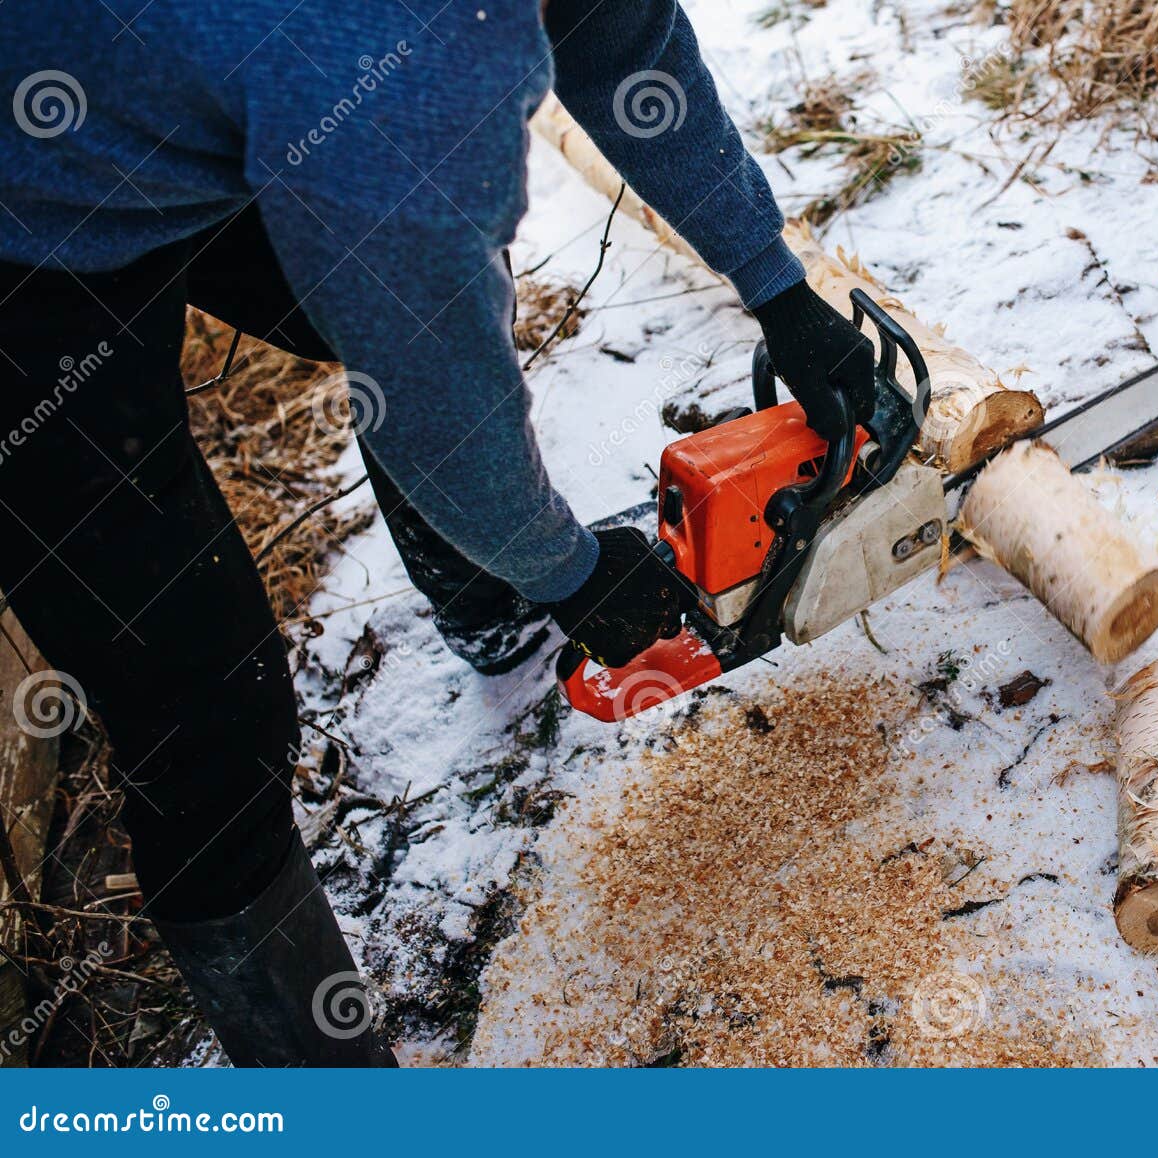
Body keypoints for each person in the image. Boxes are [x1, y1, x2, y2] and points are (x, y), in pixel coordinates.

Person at [0, 0, 875, 1066]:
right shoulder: (401, 70)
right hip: (27, 232)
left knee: (419, 283)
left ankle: (485, 601)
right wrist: (565, 567)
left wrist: (774, 283)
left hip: (197, 92)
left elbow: (624, 39)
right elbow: (426, 379)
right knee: (202, 709)